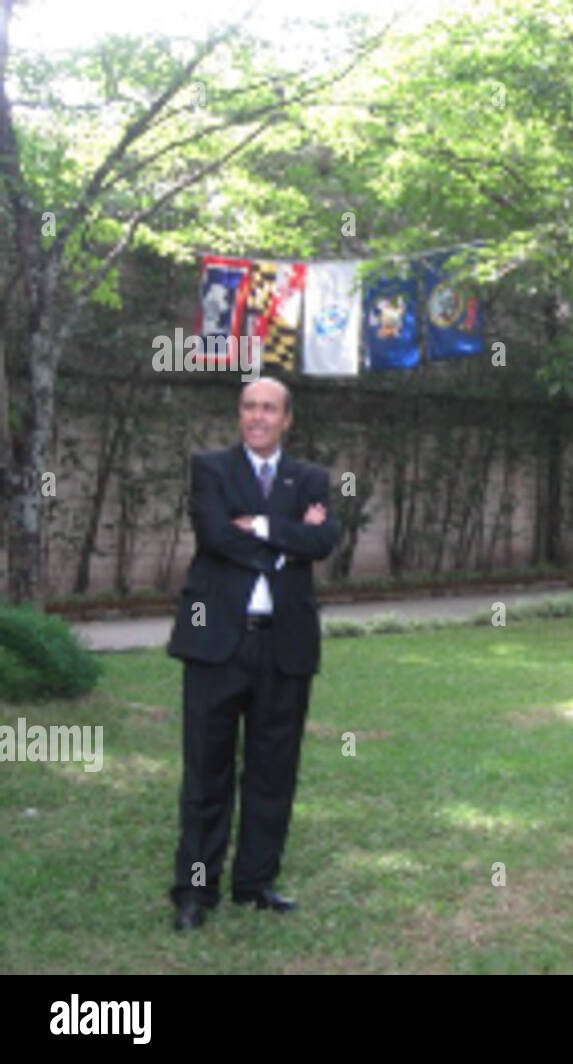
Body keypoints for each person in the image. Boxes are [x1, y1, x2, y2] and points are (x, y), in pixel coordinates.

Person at [166, 377, 339, 931]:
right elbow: (216, 535)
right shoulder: (211, 468)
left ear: (287, 419)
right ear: (239, 414)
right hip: (216, 641)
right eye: (249, 407)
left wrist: (263, 526)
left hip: (284, 644)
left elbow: (324, 541)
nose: (258, 416)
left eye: (269, 408)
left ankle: (255, 882)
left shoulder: (310, 477)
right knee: (206, 774)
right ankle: (195, 893)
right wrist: (290, 542)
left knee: (273, 772)